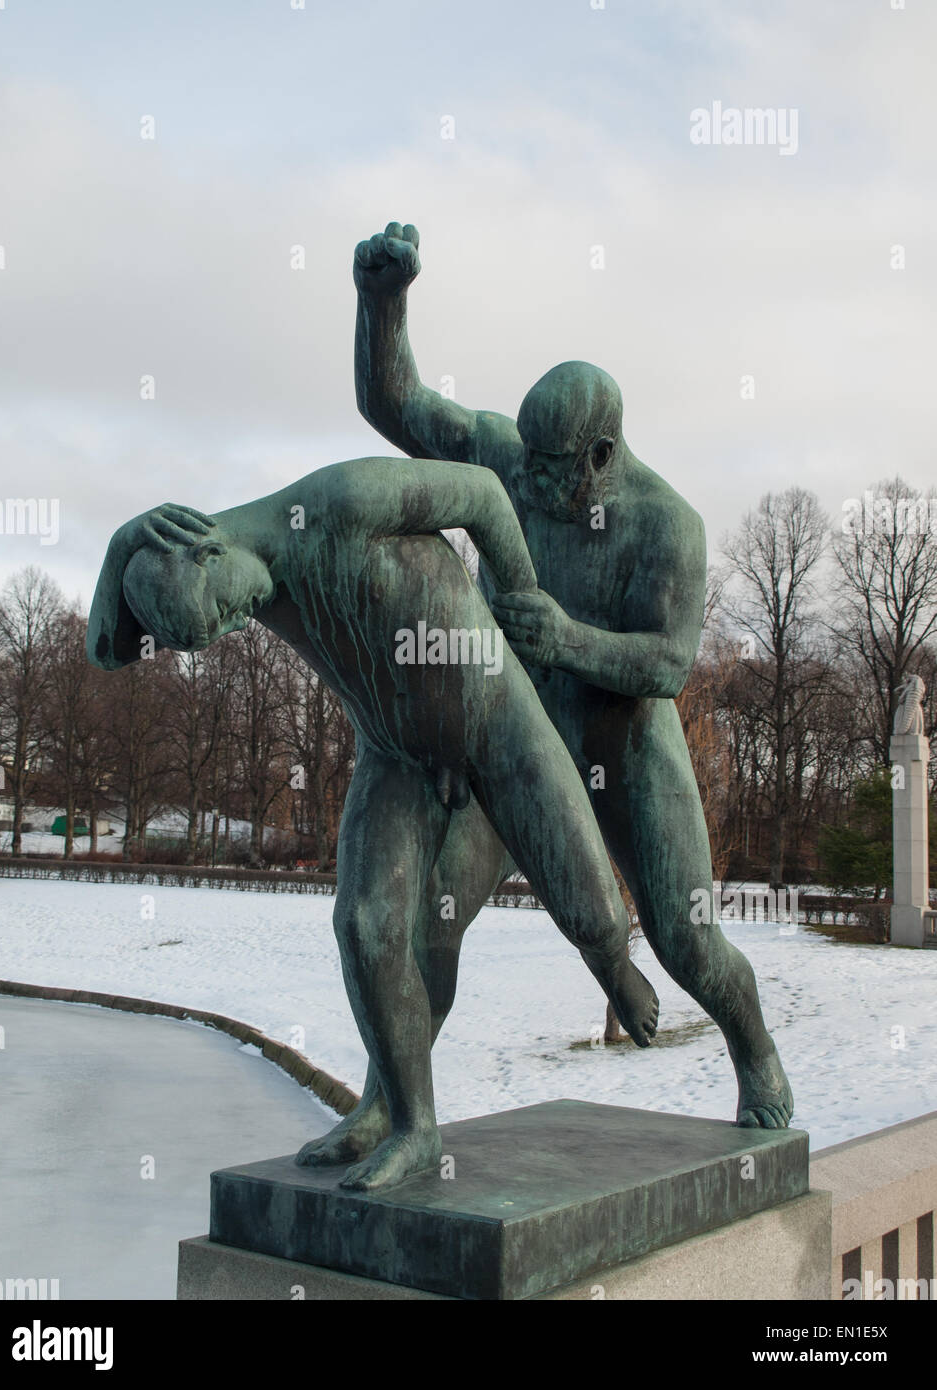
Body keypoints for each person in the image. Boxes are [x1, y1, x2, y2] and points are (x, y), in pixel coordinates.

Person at [87, 456, 659, 1190]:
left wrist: (526, 611)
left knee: (588, 910)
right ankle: (403, 1121)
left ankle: (612, 966)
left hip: (498, 724)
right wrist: (117, 547)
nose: (237, 624)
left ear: (211, 550)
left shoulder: (342, 502)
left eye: (225, 611)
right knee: (365, 925)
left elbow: (483, 495)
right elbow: (109, 652)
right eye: (218, 633)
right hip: (395, 754)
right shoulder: (219, 574)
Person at [346, 221, 793, 1141]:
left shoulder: (665, 524)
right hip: (513, 739)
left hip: (625, 748)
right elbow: (396, 403)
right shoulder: (512, 459)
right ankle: (388, 1105)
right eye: (527, 471)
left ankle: (756, 1058)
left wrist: (565, 637)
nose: (532, 489)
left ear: (599, 457)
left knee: (686, 941)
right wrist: (381, 300)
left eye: (554, 475)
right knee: (432, 918)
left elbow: (667, 663)